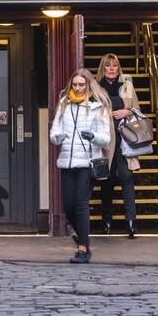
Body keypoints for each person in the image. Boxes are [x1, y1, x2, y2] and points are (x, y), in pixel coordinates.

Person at [49, 68, 112, 264]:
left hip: (87, 162)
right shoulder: (64, 103)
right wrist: (57, 138)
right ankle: (83, 237)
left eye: (81, 85)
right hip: (67, 161)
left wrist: (93, 136)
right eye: (75, 84)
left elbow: (106, 138)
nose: (77, 88)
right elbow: (54, 132)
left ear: (88, 85)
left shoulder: (97, 106)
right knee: (68, 207)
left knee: (80, 205)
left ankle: (83, 249)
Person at [96, 53, 142, 238]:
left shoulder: (127, 86)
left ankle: (131, 223)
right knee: (106, 183)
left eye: (115, 65)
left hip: (125, 140)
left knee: (127, 180)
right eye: (108, 65)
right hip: (106, 141)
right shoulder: (97, 88)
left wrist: (127, 111)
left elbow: (138, 111)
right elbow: (92, 112)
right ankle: (107, 222)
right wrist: (109, 113)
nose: (112, 68)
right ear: (103, 68)